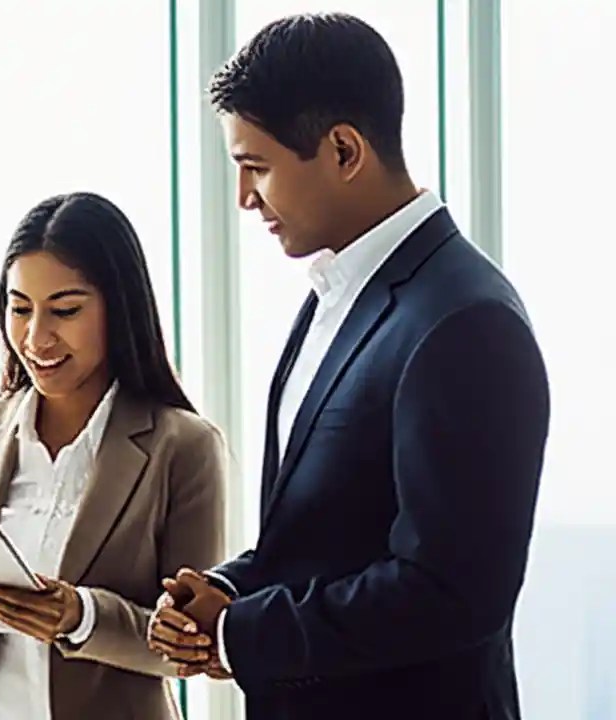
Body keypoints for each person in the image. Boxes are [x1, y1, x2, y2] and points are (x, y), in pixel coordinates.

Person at [147, 13, 550, 720]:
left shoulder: (465, 320)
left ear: (342, 150)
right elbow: (327, 538)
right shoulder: (339, 292)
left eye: (256, 168)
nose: (245, 200)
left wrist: (241, 632)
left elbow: (455, 592)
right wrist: (226, 592)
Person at [0, 192, 227, 719]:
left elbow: (192, 644)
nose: (35, 337)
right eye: (19, 308)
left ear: (119, 308)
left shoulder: (182, 446)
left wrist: (81, 617)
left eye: (65, 311)